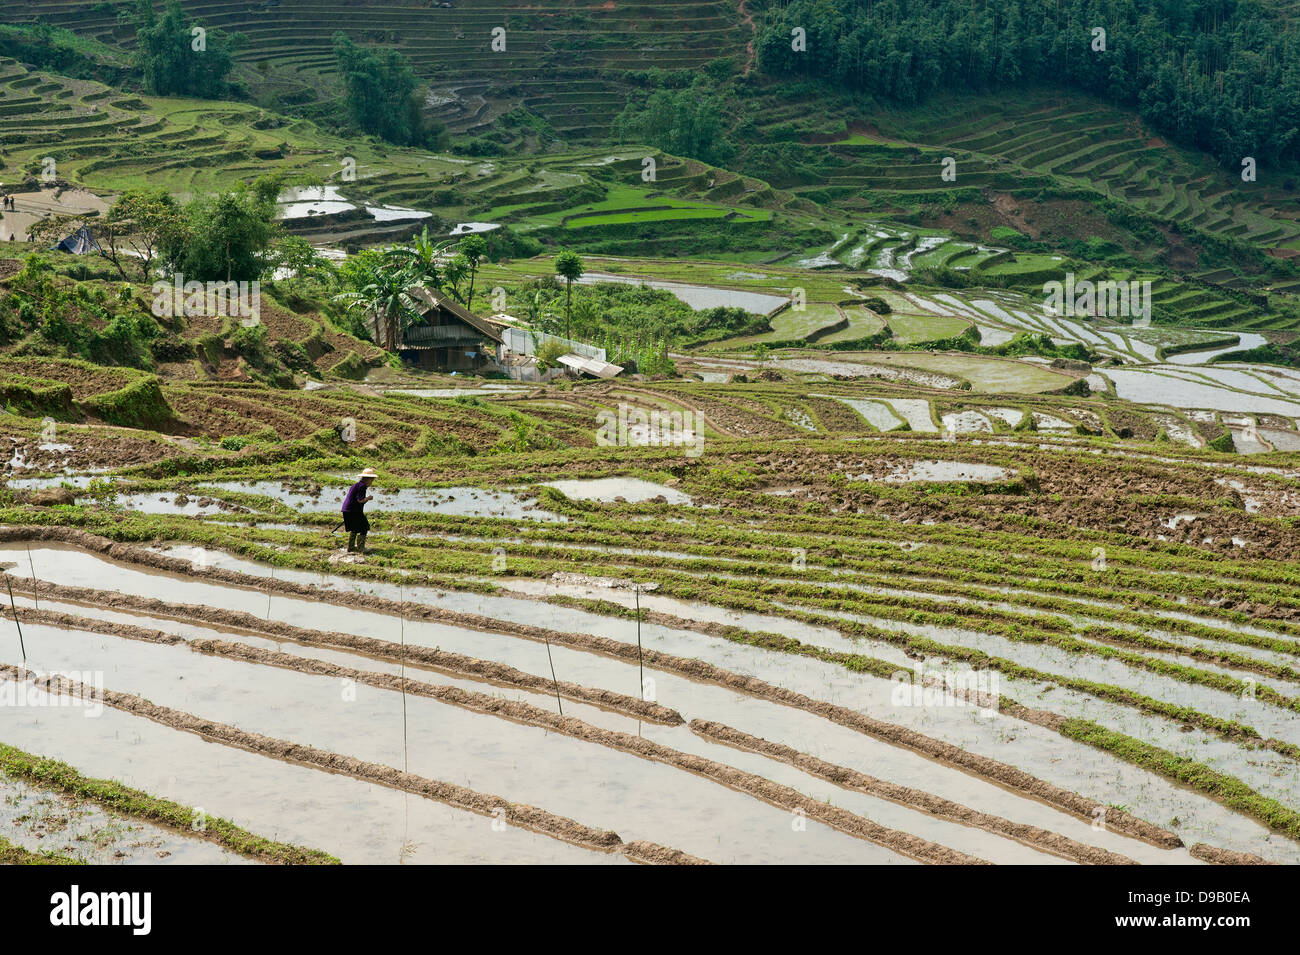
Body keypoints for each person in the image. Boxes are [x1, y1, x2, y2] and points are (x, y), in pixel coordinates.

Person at [342, 467, 377, 553]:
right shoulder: (362, 486)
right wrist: (368, 498)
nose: (371, 482)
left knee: (354, 528)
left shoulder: (356, 485)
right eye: (371, 480)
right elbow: (360, 500)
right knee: (364, 527)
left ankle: (351, 547)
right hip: (353, 511)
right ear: (368, 479)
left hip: (347, 509)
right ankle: (361, 548)